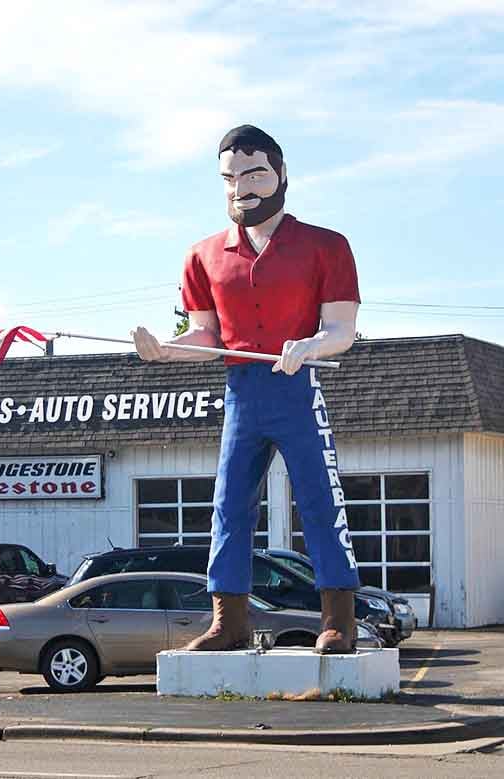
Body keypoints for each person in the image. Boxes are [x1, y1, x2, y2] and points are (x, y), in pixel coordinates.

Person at [133, 125, 361, 654]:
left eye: (255, 172)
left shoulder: (326, 246)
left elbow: (342, 331)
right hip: (241, 390)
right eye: (230, 177)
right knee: (229, 503)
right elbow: (207, 336)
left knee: (319, 499)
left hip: (296, 384)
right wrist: (167, 349)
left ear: (282, 175)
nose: (243, 187)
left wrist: (309, 346)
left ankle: (338, 618)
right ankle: (228, 620)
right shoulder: (204, 255)